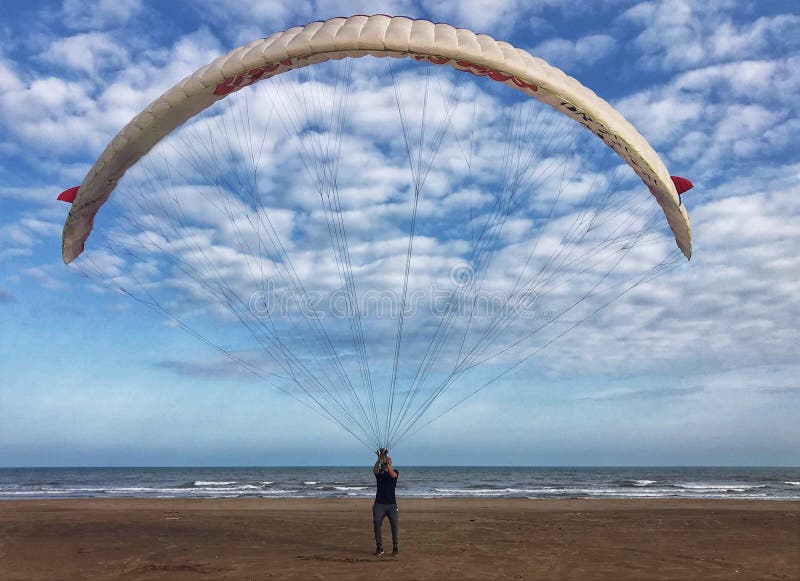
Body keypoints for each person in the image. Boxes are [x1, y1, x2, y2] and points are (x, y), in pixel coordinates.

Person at [372, 448, 399, 557]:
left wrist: (387, 464)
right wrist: (379, 459)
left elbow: (393, 475)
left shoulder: (395, 472)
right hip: (379, 504)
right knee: (376, 523)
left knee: (394, 525)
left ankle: (395, 547)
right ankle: (379, 547)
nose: (387, 462)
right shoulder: (380, 474)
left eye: (389, 461)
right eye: (386, 461)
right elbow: (374, 470)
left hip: (392, 505)